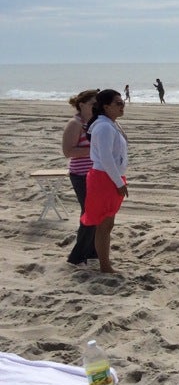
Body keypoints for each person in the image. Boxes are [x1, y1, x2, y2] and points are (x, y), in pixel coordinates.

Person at [71, 89, 128, 273]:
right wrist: (119, 183)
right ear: (106, 106)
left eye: (123, 103)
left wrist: (119, 179)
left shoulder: (109, 124)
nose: (122, 106)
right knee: (104, 224)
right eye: (118, 103)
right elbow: (105, 158)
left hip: (110, 176)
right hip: (105, 178)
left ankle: (104, 262)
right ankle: (104, 266)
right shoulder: (103, 127)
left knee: (107, 224)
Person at [63, 89, 99, 265]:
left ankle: (92, 252)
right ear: (82, 104)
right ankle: (77, 257)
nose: (96, 107)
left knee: (97, 213)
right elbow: (68, 151)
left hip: (97, 174)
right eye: (93, 103)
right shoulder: (75, 123)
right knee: (89, 214)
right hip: (80, 175)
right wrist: (95, 150)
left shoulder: (94, 122)